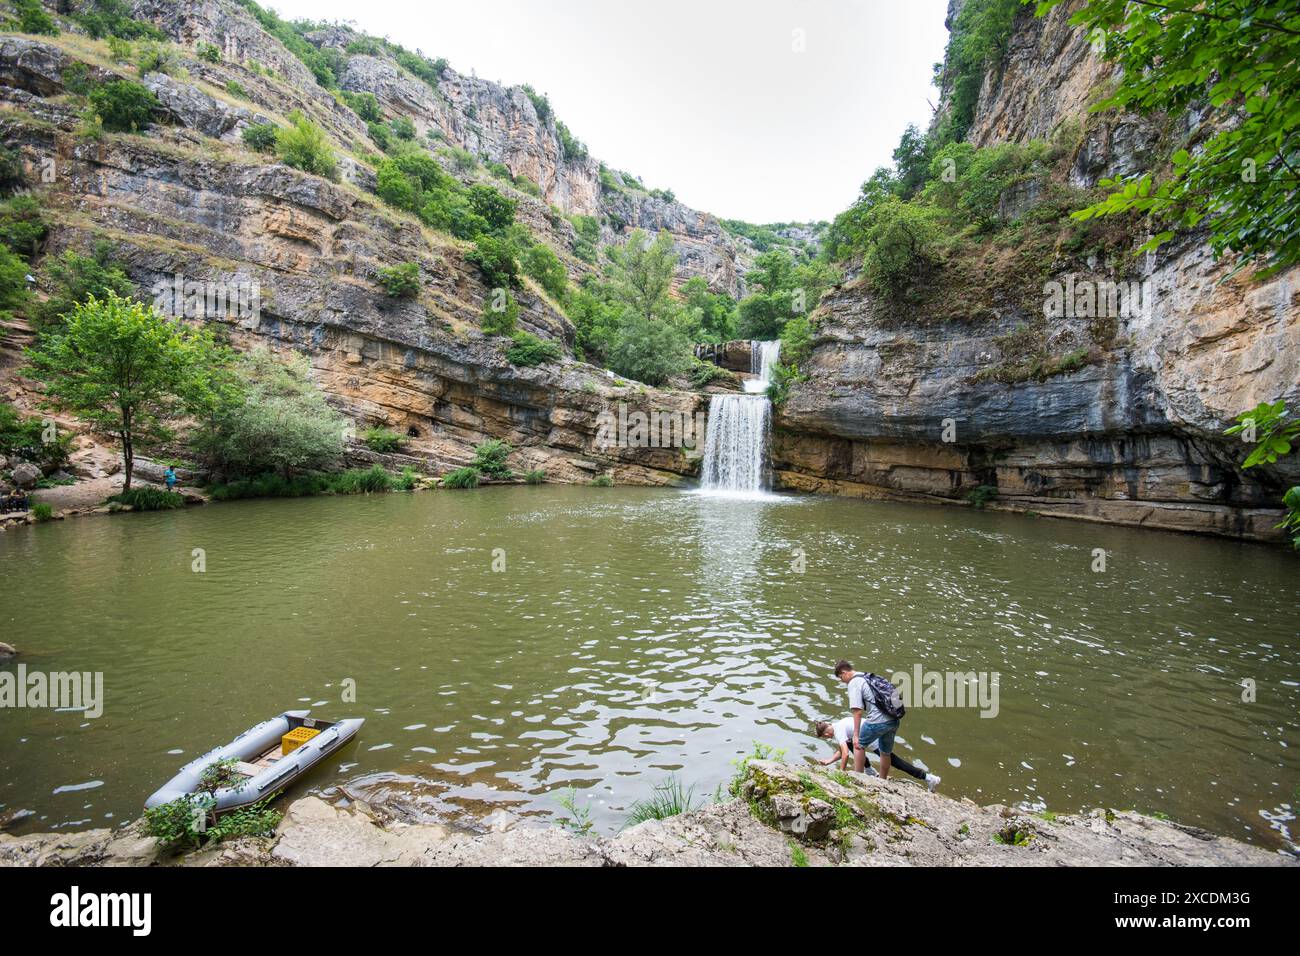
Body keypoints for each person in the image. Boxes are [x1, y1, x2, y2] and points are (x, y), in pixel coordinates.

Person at [813, 717, 941, 792]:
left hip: (875, 735)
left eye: (826, 738)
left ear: (826, 735)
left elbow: (845, 754)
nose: (828, 738)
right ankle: (870, 771)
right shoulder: (839, 724)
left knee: (895, 762)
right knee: (852, 744)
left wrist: (840, 773)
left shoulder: (838, 731)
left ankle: (929, 778)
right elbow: (843, 750)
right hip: (874, 730)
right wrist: (829, 761)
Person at [834, 659, 900, 779]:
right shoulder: (868, 677)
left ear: (844, 672)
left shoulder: (854, 682)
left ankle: (858, 778)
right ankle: (882, 780)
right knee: (885, 752)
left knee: (858, 744)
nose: (842, 681)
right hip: (893, 719)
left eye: (840, 678)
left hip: (878, 721)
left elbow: (857, 711)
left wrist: (855, 734)